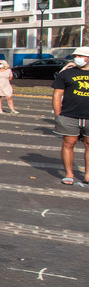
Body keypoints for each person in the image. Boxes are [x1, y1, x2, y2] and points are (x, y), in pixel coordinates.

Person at [53, 46, 89, 186]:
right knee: (69, 143)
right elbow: (57, 95)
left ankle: (88, 174)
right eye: (75, 56)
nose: (77, 58)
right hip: (69, 115)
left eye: (80, 56)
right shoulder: (66, 74)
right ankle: (69, 174)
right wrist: (58, 115)